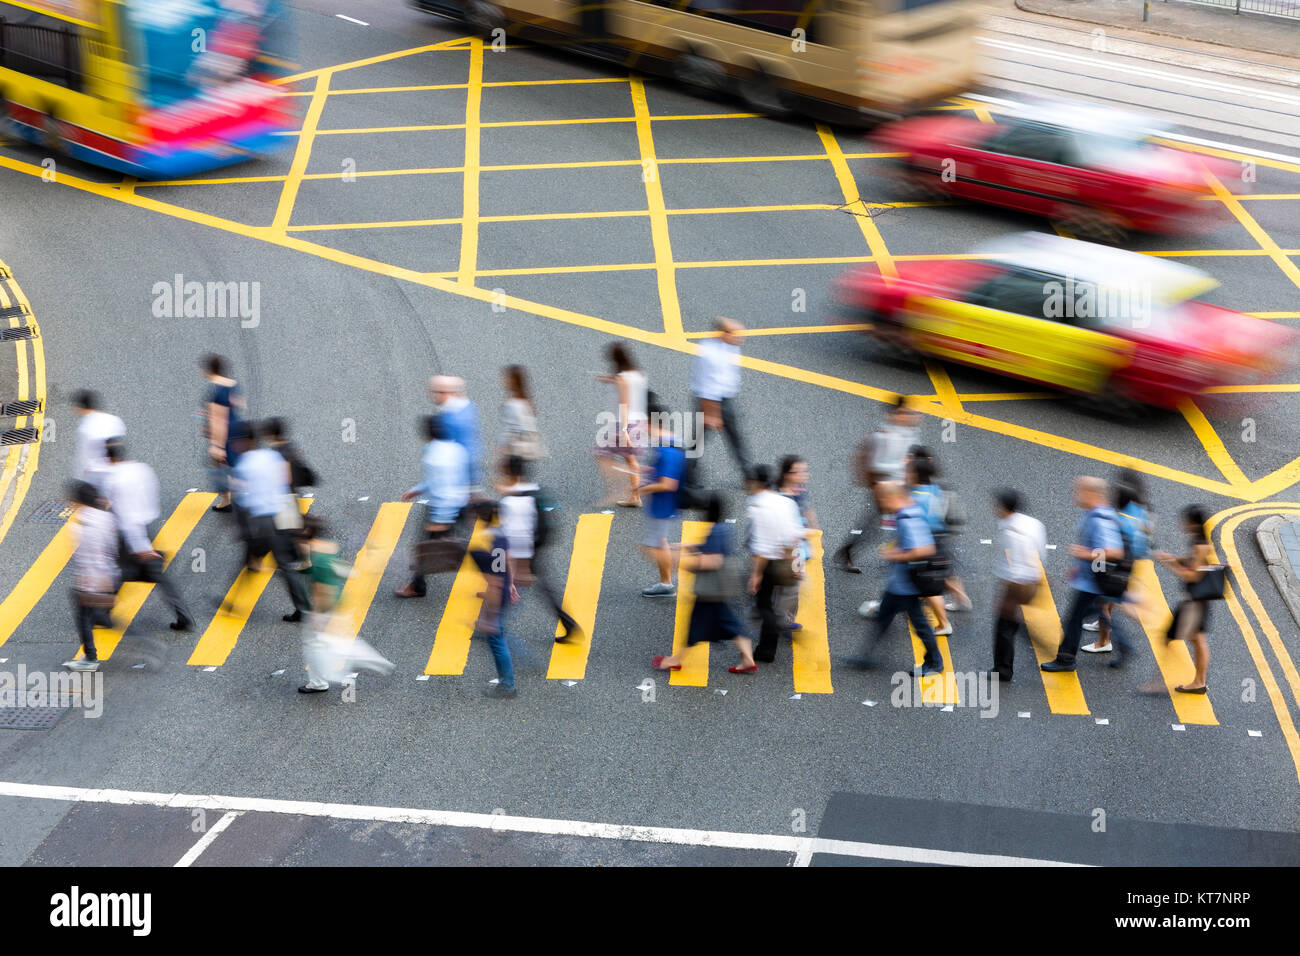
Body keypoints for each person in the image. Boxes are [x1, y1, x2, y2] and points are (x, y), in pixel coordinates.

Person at [845, 480, 943, 676]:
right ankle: (866, 657)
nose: (880, 505)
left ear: (892, 497)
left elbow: (925, 549)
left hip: (906, 586)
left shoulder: (908, 518)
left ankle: (934, 662)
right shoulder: (907, 512)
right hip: (898, 583)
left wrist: (894, 555)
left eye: (881, 499)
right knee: (883, 617)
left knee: (920, 625)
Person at [651, 494, 757, 675]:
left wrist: (681, 560)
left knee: (695, 627)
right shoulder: (724, 528)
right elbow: (713, 548)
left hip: (710, 590)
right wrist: (687, 545)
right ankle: (748, 660)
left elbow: (713, 561)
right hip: (722, 588)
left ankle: (674, 661)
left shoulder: (714, 531)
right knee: (730, 624)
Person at [101, 438, 196, 632]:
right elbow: (151, 498)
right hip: (146, 525)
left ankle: (103, 613)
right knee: (144, 572)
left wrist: (141, 546)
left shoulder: (113, 479)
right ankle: (183, 615)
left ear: (108, 458)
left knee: (123, 570)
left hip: (132, 534)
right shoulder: (142, 469)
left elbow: (127, 516)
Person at [1041, 476, 1133, 673]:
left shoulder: (1100, 519)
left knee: (1074, 619)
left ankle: (1066, 659)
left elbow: (1114, 551)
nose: (1075, 495)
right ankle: (1124, 644)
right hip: (1092, 577)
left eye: (1079, 491)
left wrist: (1084, 555)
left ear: (1091, 494)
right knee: (1089, 612)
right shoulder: (1096, 513)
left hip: (1094, 580)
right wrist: (1080, 564)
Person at [297, 515, 395, 694]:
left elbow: (323, 592)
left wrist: (317, 617)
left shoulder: (318, 562)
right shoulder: (328, 546)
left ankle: (321, 681)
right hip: (338, 600)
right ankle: (375, 662)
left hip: (327, 607)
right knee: (333, 642)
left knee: (326, 643)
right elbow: (337, 567)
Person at [231, 421, 311, 621]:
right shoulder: (272, 456)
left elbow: (242, 500)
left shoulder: (244, 464)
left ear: (245, 442)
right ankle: (303, 608)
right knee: (284, 564)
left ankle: (235, 604)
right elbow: (285, 484)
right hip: (281, 513)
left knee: (251, 562)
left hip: (261, 522)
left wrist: (244, 531)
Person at [498, 455, 579, 641]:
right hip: (536, 544)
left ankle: (492, 623)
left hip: (525, 549)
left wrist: (523, 564)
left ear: (510, 474)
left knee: (506, 580)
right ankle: (569, 624)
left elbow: (517, 534)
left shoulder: (513, 502)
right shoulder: (534, 490)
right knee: (543, 587)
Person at [835, 395, 920, 573]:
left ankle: (898, 558)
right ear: (894, 415)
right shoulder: (883, 437)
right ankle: (849, 551)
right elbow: (877, 465)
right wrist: (902, 465)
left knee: (899, 523)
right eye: (904, 413)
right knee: (874, 527)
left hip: (902, 488)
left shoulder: (910, 434)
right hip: (885, 489)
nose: (908, 416)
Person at [395, 415, 470, 599]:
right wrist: (416, 490)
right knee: (459, 546)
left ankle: (417, 586)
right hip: (461, 505)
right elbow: (455, 479)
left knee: (424, 548)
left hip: (442, 509)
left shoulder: (433, 456)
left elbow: (440, 487)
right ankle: (495, 573)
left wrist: (439, 521)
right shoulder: (457, 449)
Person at [1082, 470, 1151, 654]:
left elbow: (1109, 547)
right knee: (1109, 599)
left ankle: (1104, 642)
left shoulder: (1119, 520)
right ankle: (1103, 624)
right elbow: (1147, 532)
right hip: (1129, 565)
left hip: (1112, 565)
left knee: (1103, 602)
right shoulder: (1140, 512)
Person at [1147, 505, 1213, 694]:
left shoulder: (1201, 546)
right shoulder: (1198, 542)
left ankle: (1163, 683)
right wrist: (1172, 558)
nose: (1182, 524)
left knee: (1170, 639)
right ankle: (1198, 681)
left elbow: (1192, 576)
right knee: (1196, 640)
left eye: (1186, 521)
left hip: (1193, 603)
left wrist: (1169, 566)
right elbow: (1191, 562)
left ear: (1193, 524)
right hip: (1196, 601)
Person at [905, 450, 971, 636]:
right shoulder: (936, 490)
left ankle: (944, 624)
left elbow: (918, 524)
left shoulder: (916, 497)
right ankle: (960, 598)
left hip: (926, 547)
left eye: (909, 472)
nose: (906, 475)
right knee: (938, 578)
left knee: (931, 589)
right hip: (938, 544)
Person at [745, 463, 804, 664]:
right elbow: (796, 535)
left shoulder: (757, 506)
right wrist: (797, 563)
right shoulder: (786, 502)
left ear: (755, 483)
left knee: (764, 605)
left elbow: (761, 547)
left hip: (770, 562)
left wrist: (756, 574)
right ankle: (769, 644)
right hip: (788, 559)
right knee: (775, 602)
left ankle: (766, 650)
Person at [987, 488, 1046, 682]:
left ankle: (1003, 670)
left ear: (1004, 507)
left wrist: (1006, 591)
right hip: (1032, 579)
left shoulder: (1011, 531)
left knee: (1004, 625)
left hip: (1018, 583)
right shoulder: (1033, 524)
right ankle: (1034, 641)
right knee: (1009, 623)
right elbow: (1040, 552)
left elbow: (1014, 562)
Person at [64, 480, 117, 672]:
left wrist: (84, 582)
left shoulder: (80, 525)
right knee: (96, 615)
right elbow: (111, 548)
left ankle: (90, 658)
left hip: (92, 580)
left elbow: (83, 557)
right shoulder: (106, 518)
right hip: (109, 575)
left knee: (84, 617)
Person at [635, 405, 686, 597]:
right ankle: (666, 582)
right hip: (662, 503)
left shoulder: (667, 450)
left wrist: (642, 488)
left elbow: (667, 484)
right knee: (658, 542)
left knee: (650, 546)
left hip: (662, 504)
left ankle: (671, 579)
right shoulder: (669, 442)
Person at [691, 317, 750, 481]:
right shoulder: (708, 352)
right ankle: (688, 475)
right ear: (723, 334)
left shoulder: (730, 345)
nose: (740, 339)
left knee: (736, 437)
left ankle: (748, 474)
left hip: (726, 400)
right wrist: (712, 415)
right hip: (709, 403)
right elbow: (707, 388)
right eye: (736, 335)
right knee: (698, 441)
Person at [470, 500, 517, 699]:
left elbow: (494, 581)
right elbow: (510, 560)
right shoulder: (501, 534)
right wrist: (512, 584)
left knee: (497, 640)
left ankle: (508, 686)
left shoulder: (484, 543)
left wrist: (489, 615)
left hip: (496, 596)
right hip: (505, 589)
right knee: (499, 634)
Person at [594, 342, 648, 508]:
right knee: (630, 459)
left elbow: (624, 404)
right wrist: (609, 379)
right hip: (639, 422)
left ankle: (626, 486)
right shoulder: (637, 375)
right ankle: (636, 495)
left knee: (602, 455)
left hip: (625, 424)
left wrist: (623, 430)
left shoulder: (622, 379)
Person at [776, 455, 817, 635]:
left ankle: (787, 619)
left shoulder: (800, 492)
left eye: (804, 470)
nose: (804, 475)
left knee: (793, 585)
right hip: (788, 548)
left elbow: (807, 512)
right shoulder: (780, 498)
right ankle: (780, 621)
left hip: (798, 547)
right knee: (788, 586)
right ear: (787, 474)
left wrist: (814, 533)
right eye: (798, 471)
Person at [201, 354, 246, 513]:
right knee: (232, 463)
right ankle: (227, 499)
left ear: (208, 370)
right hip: (236, 426)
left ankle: (233, 498)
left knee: (222, 464)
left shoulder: (215, 390)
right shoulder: (232, 384)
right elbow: (239, 404)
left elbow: (218, 421)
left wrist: (217, 445)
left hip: (224, 432)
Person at [429, 375, 483, 493]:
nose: (433, 395)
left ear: (446, 393)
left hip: (457, 480)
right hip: (466, 476)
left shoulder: (451, 419)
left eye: (436, 392)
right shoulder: (467, 407)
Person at [72, 390, 125, 494]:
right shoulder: (114, 420)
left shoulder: (85, 429)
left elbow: (83, 457)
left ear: (81, 407)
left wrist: (80, 478)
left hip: (97, 476)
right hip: (117, 471)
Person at [496, 365, 544, 464]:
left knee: (512, 479)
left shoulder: (513, 404)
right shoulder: (526, 402)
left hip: (513, 453)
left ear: (512, 381)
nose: (503, 380)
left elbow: (511, 430)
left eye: (506, 378)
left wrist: (504, 449)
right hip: (523, 452)